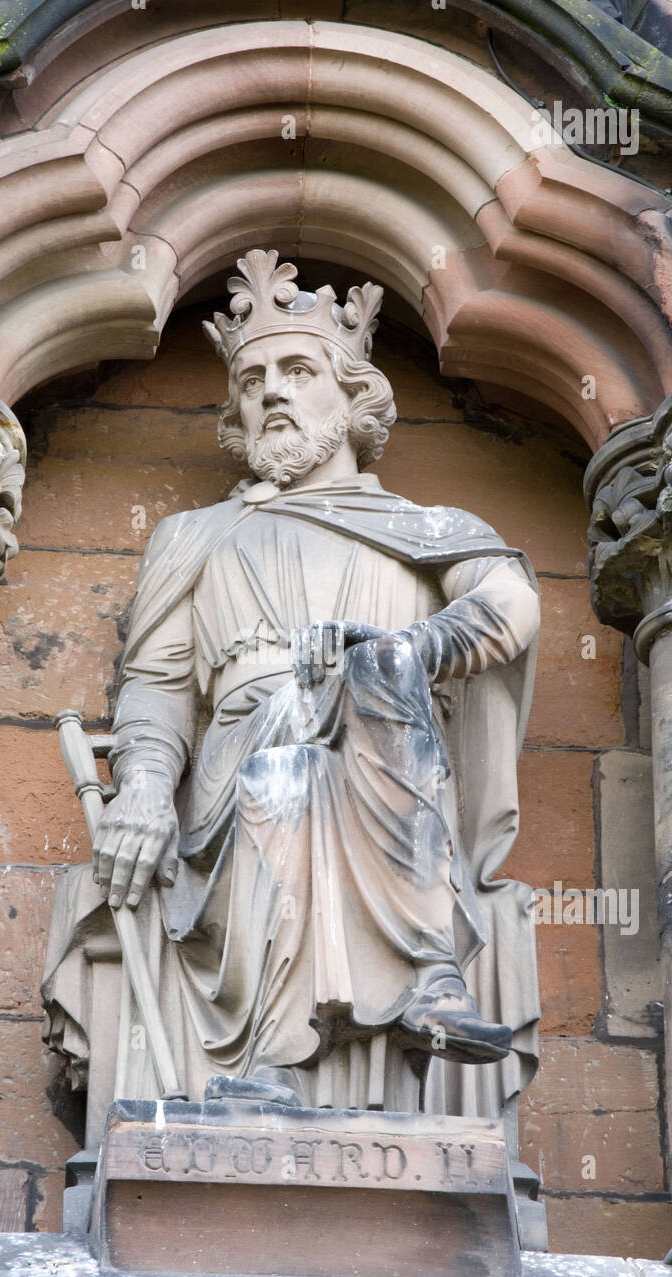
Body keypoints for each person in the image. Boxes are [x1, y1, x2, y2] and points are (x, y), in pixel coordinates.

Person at [44, 250, 541, 1117]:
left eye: (299, 371)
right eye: (252, 380)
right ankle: (408, 986)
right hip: (239, 773)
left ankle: (409, 986)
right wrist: (146, 791)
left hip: (384, 761)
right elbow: (158, 688)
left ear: (354, 398)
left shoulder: (426, 530)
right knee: (286, 766)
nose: (272, 392)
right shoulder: (196, 538)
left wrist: (400, 652)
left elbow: (512, 605)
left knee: (342, 711)